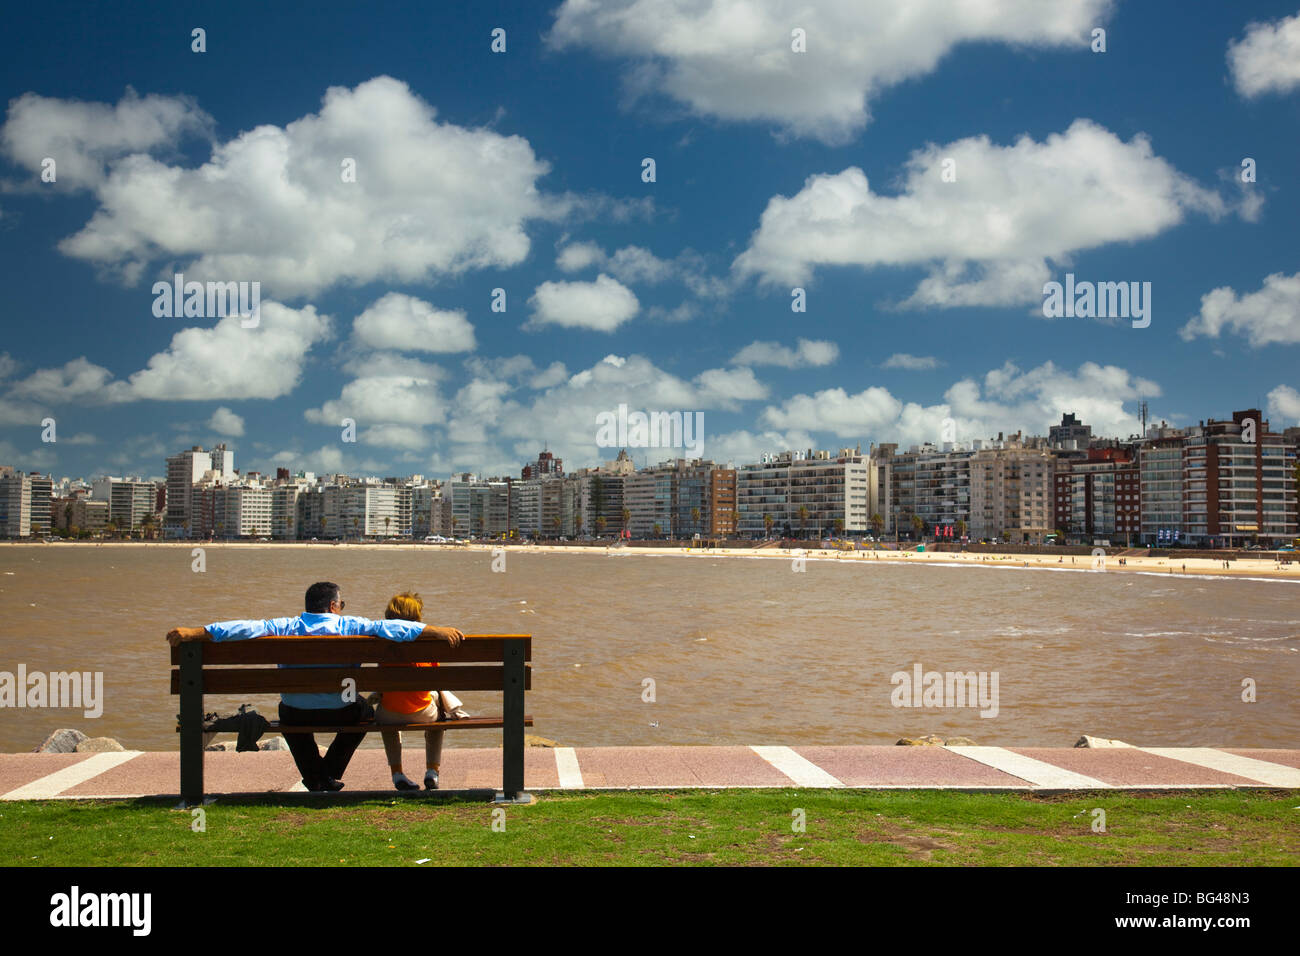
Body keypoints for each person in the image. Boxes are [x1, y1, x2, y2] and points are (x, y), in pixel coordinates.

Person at [166, 581, 463, 792]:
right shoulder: (350, 626)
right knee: (363, 713)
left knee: (289, 712)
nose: (343, 609)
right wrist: (434, 630)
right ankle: (327, 774)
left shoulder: (283, 626)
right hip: (341, 713)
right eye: (342, 605)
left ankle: (316, 777)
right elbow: (392, 628)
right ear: (334, 606)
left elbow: (245, 627)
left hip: (296, 713)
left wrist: (197, 632)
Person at [374, 591, 467, 791]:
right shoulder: (428, 646)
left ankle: (397, 773)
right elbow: (435, 678)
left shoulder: (379, 644)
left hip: (388, 715)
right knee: (438, 716)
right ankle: (432, 772)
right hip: (423, 714)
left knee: (386, 709)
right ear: (417, 619)